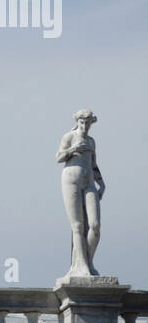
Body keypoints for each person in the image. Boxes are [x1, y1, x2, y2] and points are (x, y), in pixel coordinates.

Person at [56, 109, 105, 278]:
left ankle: (88, 262)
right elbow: (59, 157)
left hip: (89, 182)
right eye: (82, 123)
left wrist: (102, 183)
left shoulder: (91, 142)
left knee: (95, 226)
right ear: (78, 122)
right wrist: (73, 149)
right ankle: (80, 266)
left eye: (88, 123)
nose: (84, 126)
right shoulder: (69, 137)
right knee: (77, 226)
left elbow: (94, 164)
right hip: (71, 180)